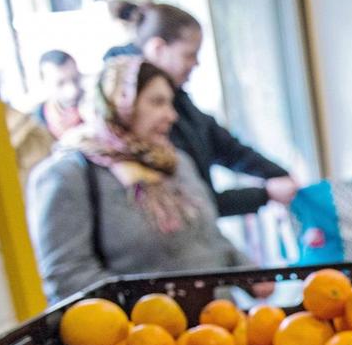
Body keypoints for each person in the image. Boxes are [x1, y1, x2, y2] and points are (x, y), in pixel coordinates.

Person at [28, 57, 250, 302]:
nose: (171, 115)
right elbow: (68, 277)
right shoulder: (69, 176)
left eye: (170, 103)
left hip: (217, 327)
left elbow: (205, 235)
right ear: (119, 103)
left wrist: (247, 271)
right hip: (144, 334)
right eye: (157, 102)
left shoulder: (174, 162)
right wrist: (149, 311)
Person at [128, 3, 299, 216]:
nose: (196, 63)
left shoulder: (180, 100)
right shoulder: (139, 126)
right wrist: (264, 194)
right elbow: (194, 201)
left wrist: (277, 174)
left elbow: (224, 146)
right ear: (158, 49)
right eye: (189, 55)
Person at [35, 50, 85, 140]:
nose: (73, 91)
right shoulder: (37, 122)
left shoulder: (99, 107)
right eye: (60, 84)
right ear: (44, 83)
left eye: (76, 79)